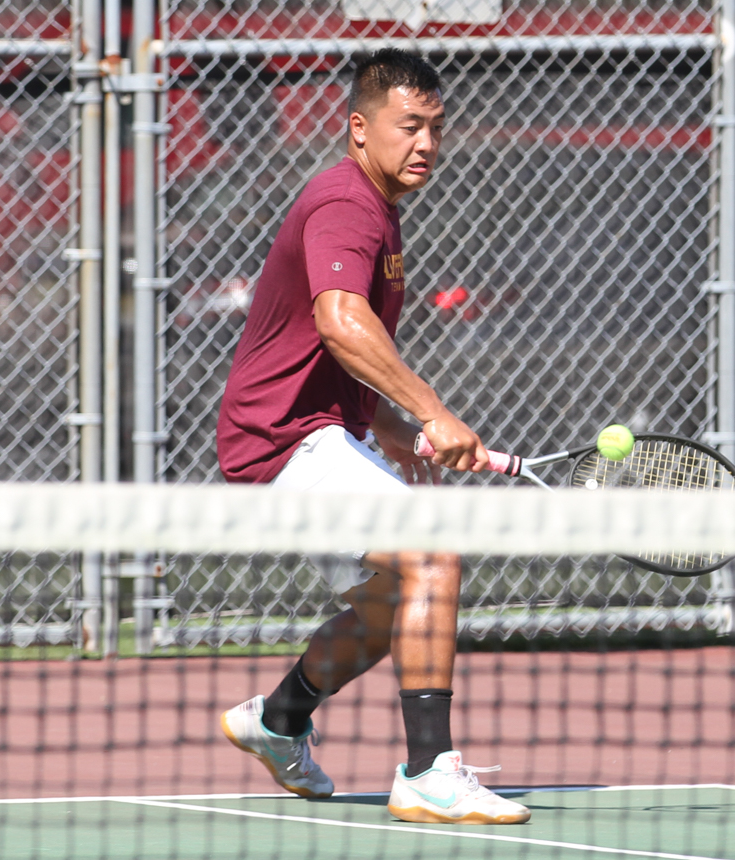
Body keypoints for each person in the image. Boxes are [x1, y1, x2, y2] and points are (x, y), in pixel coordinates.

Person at [215, 49, 531, 826]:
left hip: (306, 434)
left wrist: (390, 431)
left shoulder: (375, 210)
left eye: (435, 127)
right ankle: (427, 771)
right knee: (432, 555)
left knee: (395, 605)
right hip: (286, 438)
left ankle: (278, 719)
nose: (425, 143)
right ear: (360, 129)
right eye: (408, 126)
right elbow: (340, 322)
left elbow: (331, 353)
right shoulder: (348, 205)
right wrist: (432, 414)